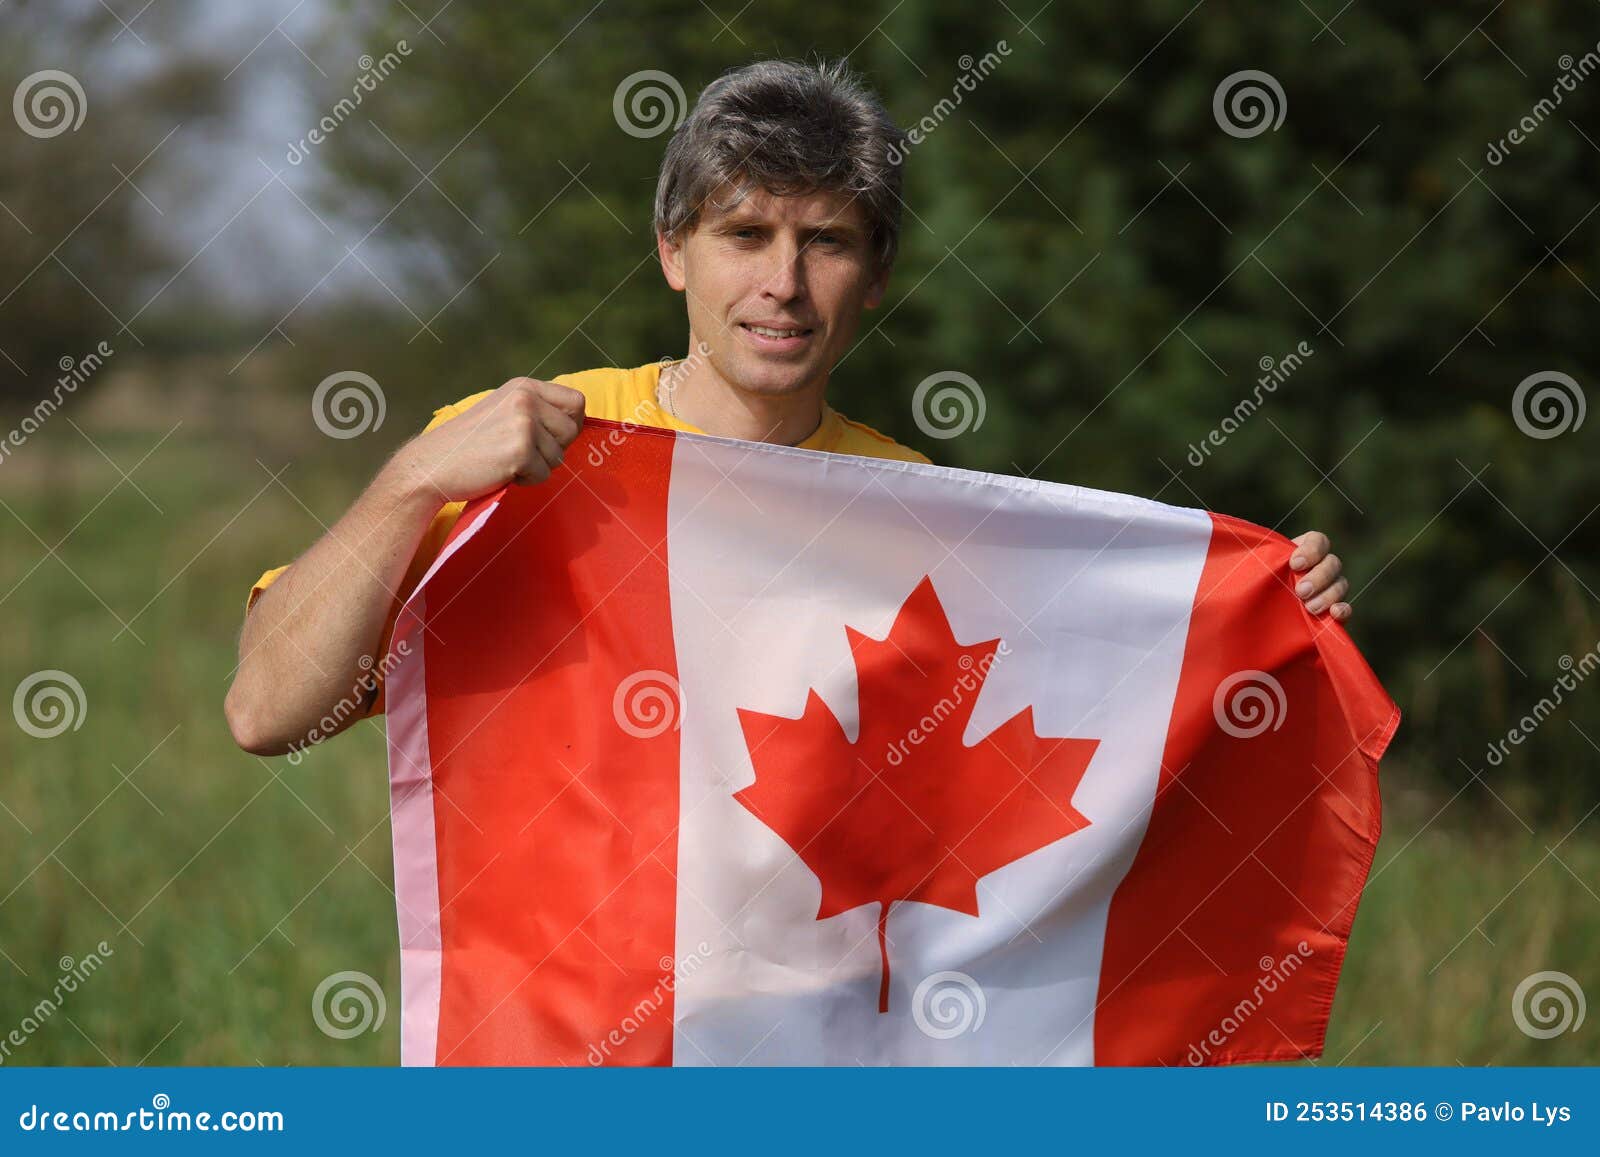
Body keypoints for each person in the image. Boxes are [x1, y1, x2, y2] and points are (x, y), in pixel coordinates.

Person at [224, 58, 1351, 756]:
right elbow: (271, 712)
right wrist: (415, 478)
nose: (781, 284)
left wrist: (1257, 619)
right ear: (673, 252)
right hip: (563, 1042)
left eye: (826, 242)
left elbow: (1066, 733)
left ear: (876, 272)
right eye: (745, 235)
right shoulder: (523, 458)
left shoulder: (914, 506)